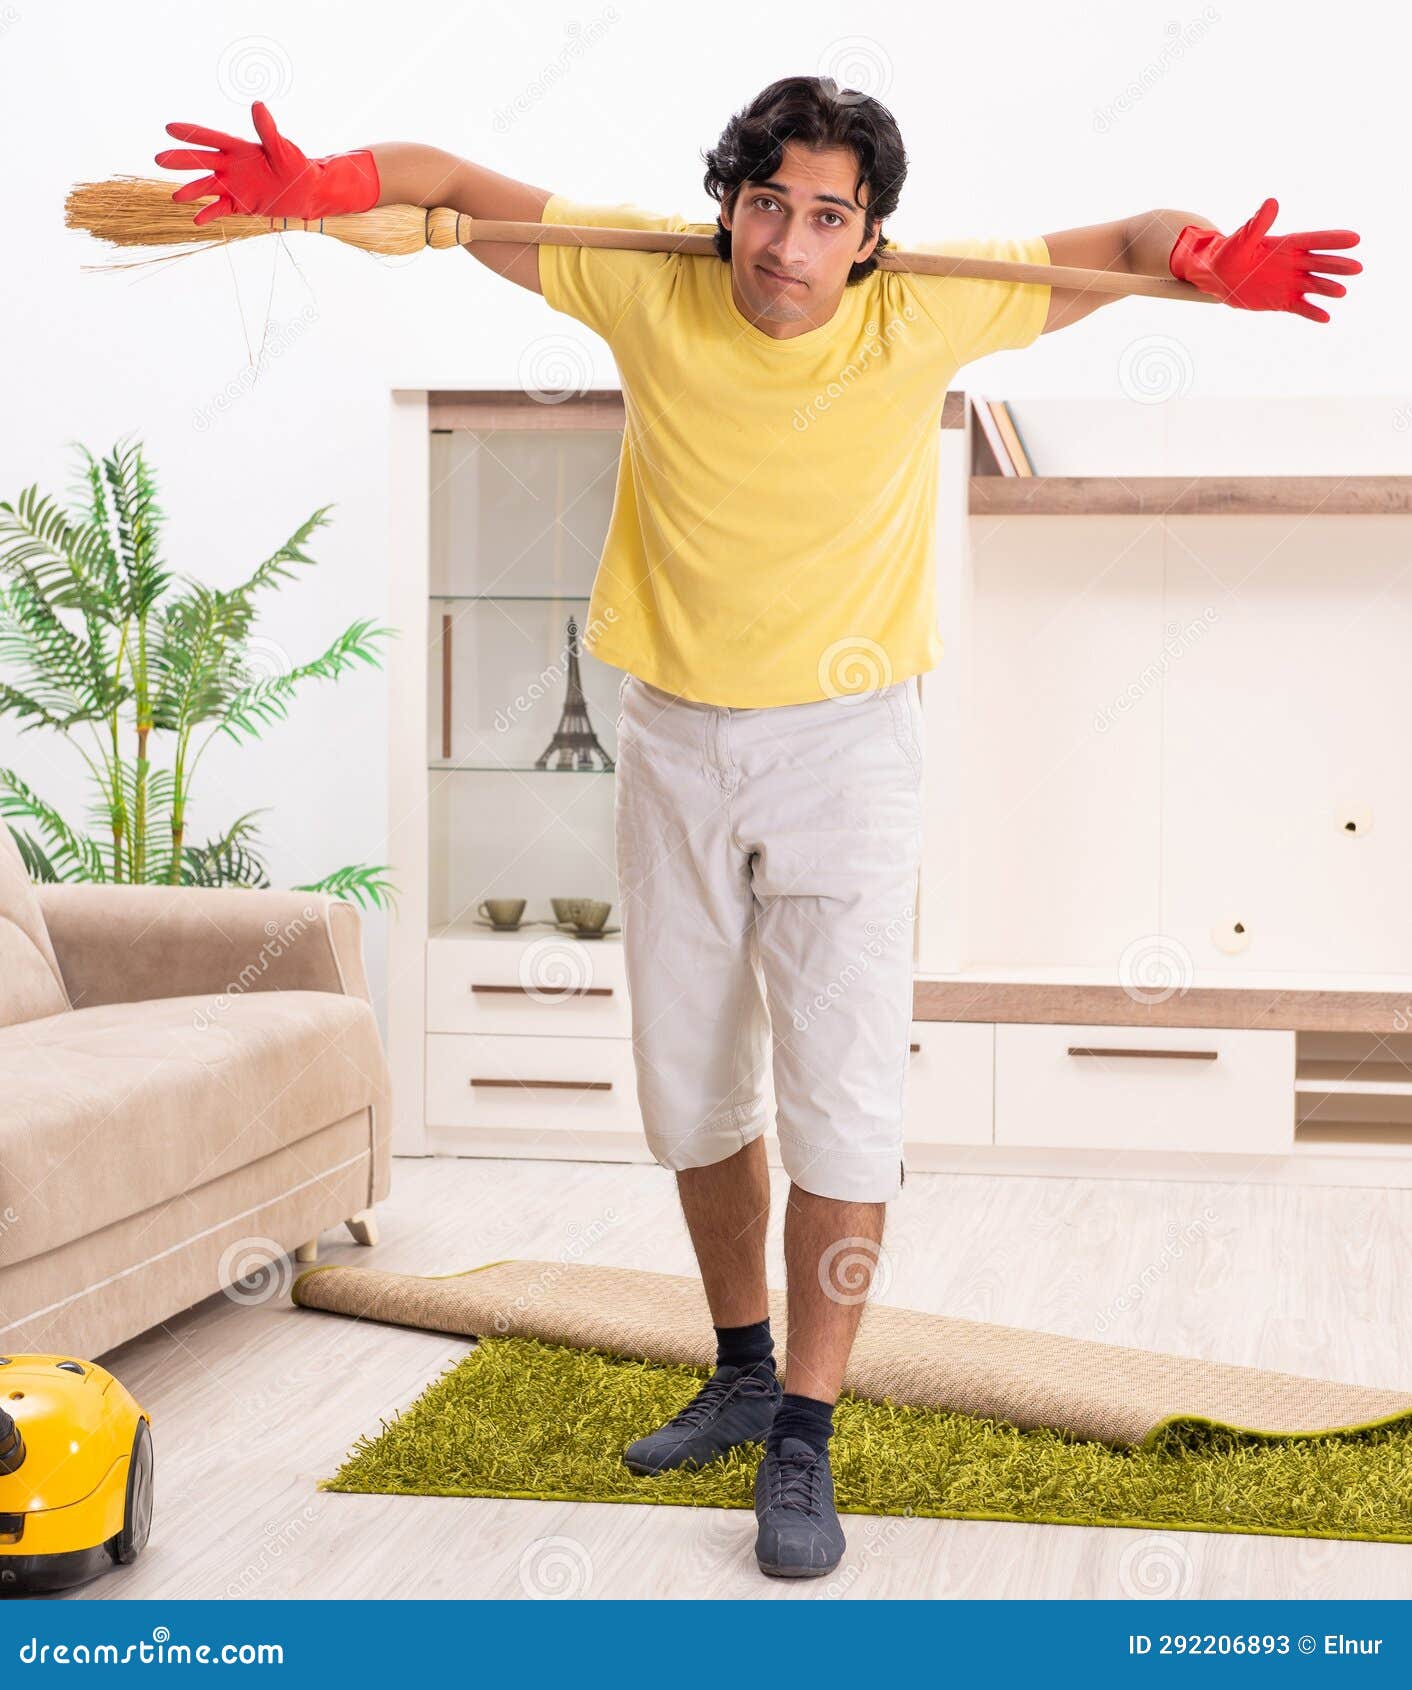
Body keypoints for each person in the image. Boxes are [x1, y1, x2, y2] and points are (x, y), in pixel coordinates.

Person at [156, 77, 1360, 1581]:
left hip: (847, 749)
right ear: (729, 204)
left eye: (829, 215)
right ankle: (738, 1361)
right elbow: (454, 176)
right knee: (690, 1083)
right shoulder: (644, 280)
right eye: (769, 202)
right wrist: (327, 178)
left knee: (844, 1089)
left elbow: (1125, 234)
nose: (790, 243)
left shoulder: (925, 315)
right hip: (666, 729)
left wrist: (1203, 261)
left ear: (870, 240)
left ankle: (804, 1428)